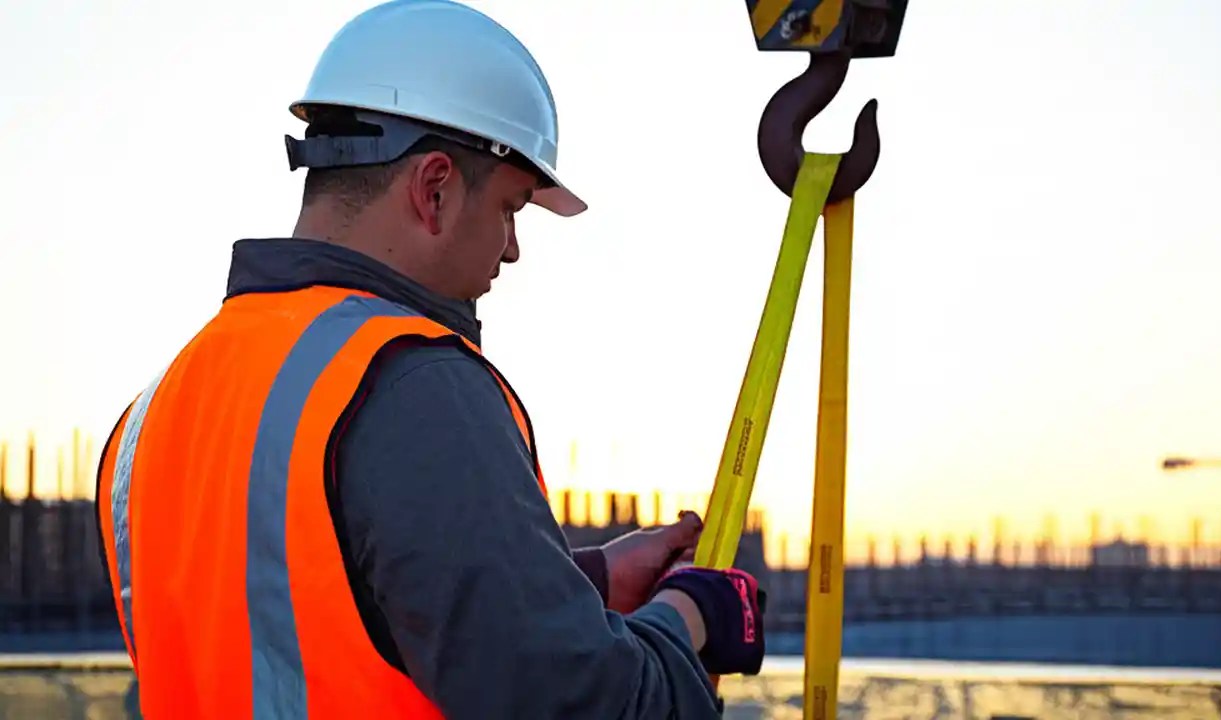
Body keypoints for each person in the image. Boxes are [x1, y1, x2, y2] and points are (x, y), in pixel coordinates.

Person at [93, 1, 766, 718]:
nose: (512, 249)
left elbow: (307, 619)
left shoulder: (157, 409)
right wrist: (690, 616)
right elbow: (584, 706)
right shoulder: (408, 382)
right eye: (511, 208)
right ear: (434, 187)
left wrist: (584, 582)